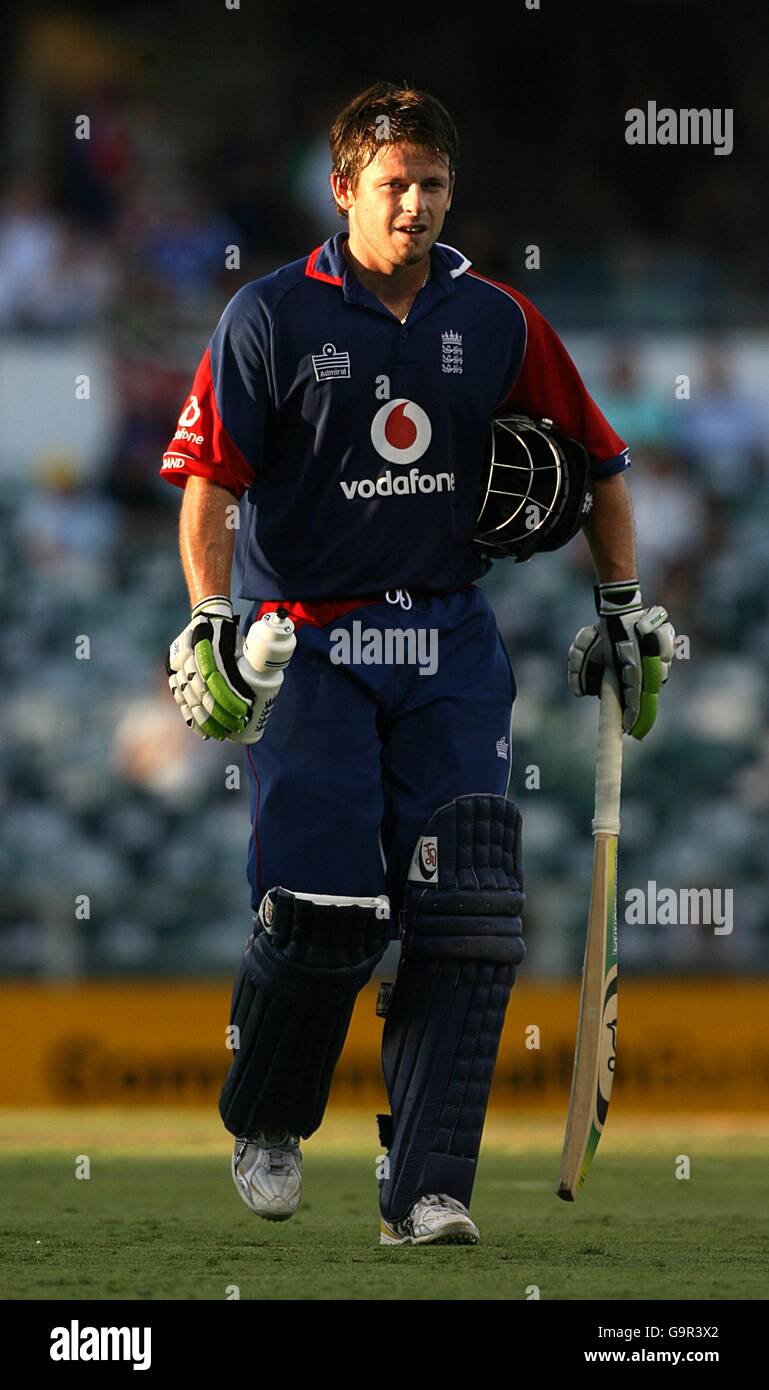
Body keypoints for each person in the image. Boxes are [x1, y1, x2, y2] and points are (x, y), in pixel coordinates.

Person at [161, 82, 674, 1247]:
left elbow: (598, 466)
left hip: (448, 639)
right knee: (327, 918)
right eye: (395, 183)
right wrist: (207, 620)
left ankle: (427, 1187)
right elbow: (211, 488)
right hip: (310, 643)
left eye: (435, 183)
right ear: (342, 189)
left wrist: (621, 606)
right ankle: (269, 1119)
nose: (419, 202)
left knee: (468, 914)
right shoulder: (268, 314)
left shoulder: (494, 317)